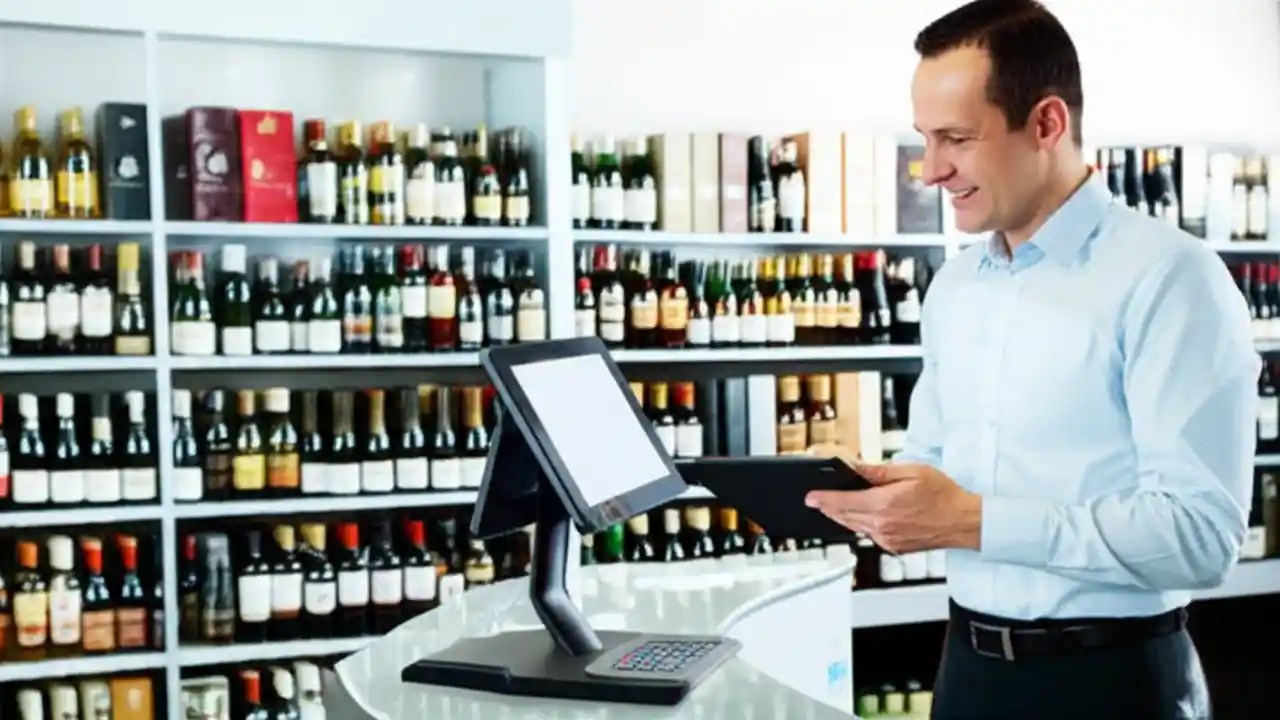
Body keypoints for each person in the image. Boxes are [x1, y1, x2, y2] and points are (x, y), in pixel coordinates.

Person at [803, 1, 1259, 718]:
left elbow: (1200, 538)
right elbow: (938, 465)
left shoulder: (1171, 278)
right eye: (925, 139)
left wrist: (972, 521)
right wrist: (883, 494)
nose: (930, 171)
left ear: (1046, 124)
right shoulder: (954, 288)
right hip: (965, 669)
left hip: (1113, 680)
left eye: (956, 138)